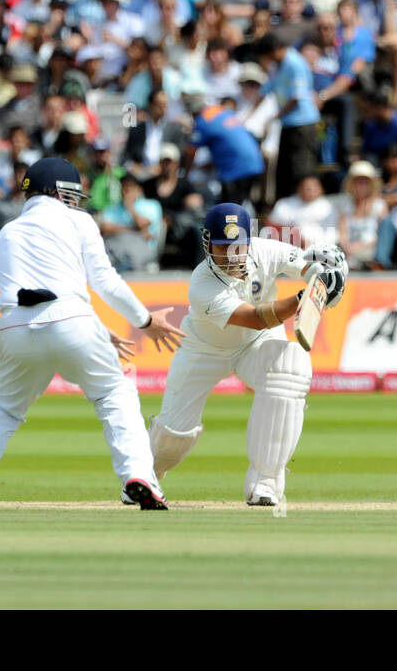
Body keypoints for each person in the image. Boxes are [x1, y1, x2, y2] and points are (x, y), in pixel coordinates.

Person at [0, 158, 185, 512]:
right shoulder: (79, 221)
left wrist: (94, 327)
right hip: (73, 323)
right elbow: (105, 282)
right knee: (114, 393)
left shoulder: (5, 234)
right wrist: (146, 321)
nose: (75, 202)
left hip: (15, 329)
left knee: (0, 408)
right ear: (57, 192)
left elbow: (37, 294)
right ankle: (139, 476)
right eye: (71, 194)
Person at [146, 203, 347, 506]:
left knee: (291, 366)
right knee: (175, 436)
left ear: (249, 242)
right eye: (222, 247)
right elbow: (255, 318)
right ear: (207, 243)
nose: (231, 256)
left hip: (256, 344)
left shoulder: (266, 250)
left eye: (237, 247)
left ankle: (265, 483)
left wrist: (326, 278)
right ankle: (144, 476)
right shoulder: (202, 284)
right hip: (203, 350)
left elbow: (307, 267)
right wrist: (305, 296)